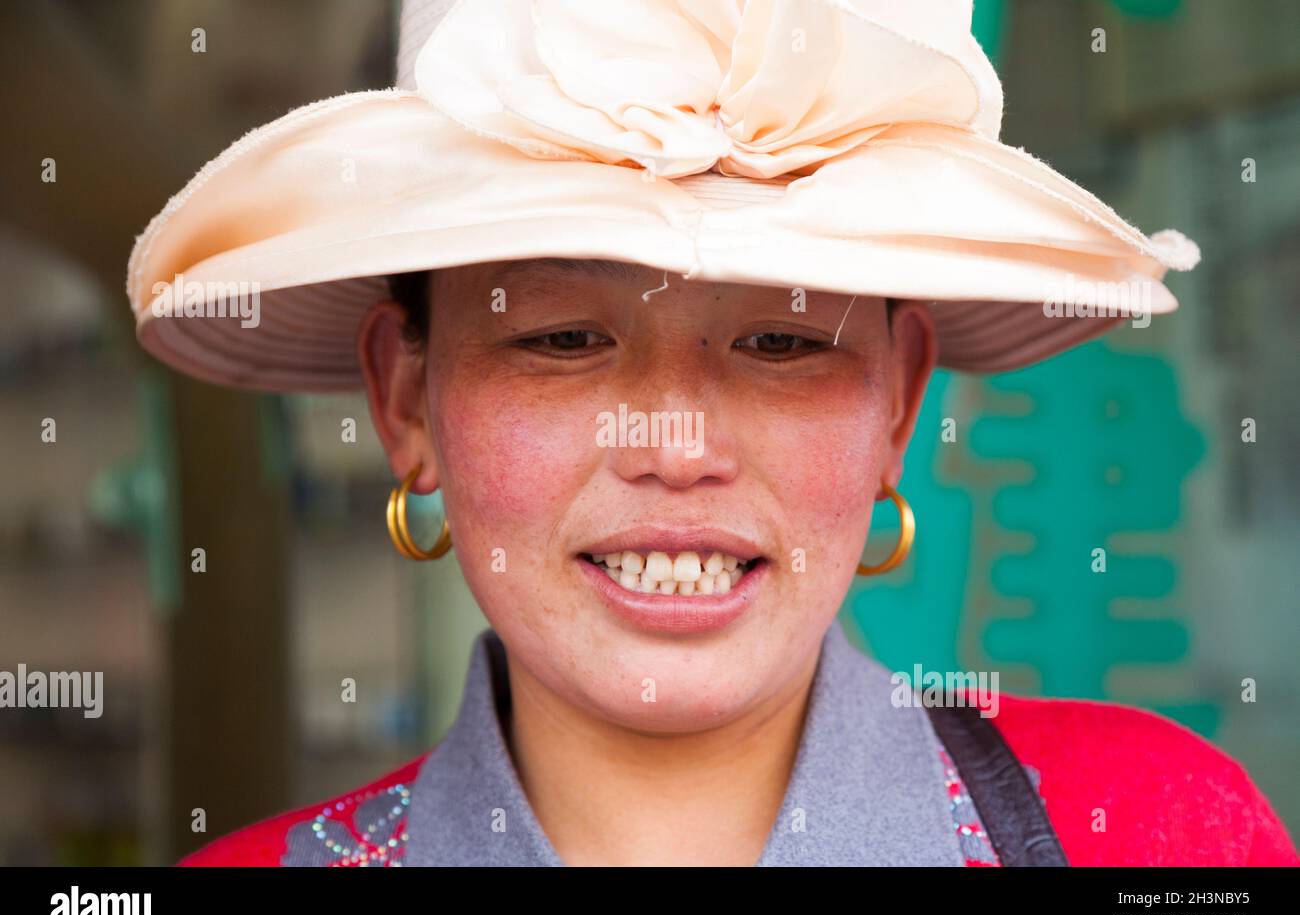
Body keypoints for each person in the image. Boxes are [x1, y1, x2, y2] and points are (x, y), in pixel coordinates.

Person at [126, 0, 1297, 866]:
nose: (676, 445)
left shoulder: (1155, 835)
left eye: (782, 343)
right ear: (403, 401)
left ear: (896, 403)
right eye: (562, 339)